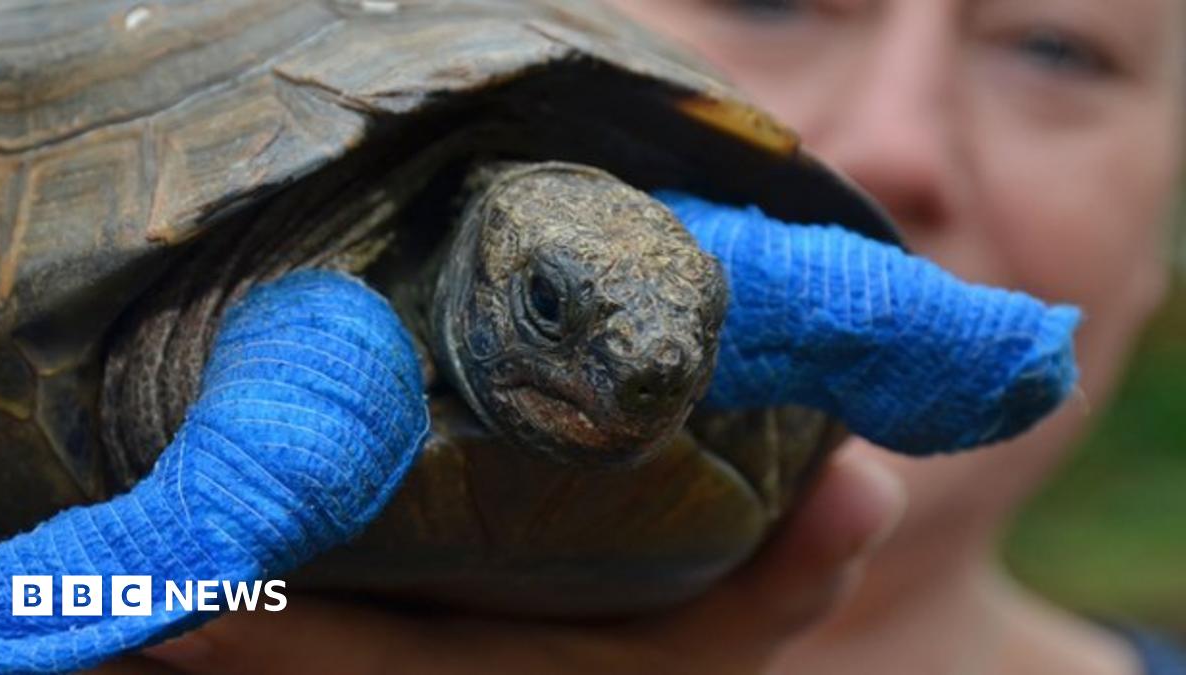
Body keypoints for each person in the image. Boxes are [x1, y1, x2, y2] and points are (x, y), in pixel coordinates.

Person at [115, 0, 1183, 673]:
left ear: (1160, 264)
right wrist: (64, 600)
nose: (897, 144)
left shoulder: (746, 279)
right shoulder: (319, 329)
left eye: (1058, 48)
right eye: (766, 1)